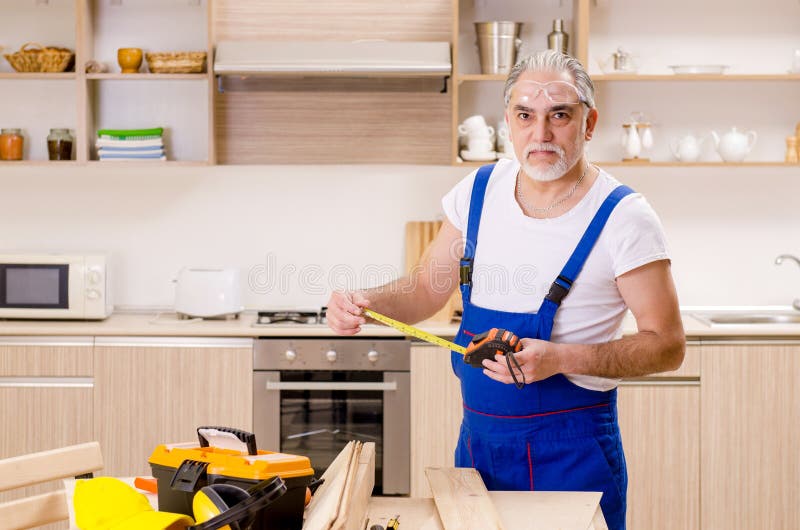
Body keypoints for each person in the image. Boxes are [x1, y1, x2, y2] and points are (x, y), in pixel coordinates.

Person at [326, 50, 685, 530]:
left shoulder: (625, 218)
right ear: (508, 122)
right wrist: (368, 303)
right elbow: (425, 291)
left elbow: (667, 346)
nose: (541, 134)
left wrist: (560, 359)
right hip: (477, 453)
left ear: (589, 121)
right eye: (525, 115)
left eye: (559, 115)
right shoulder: (478, 191)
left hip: (573, 459)